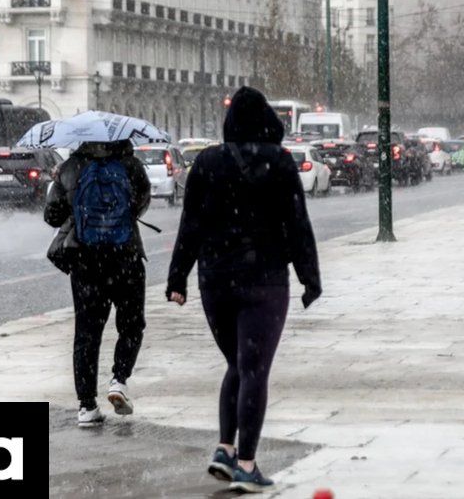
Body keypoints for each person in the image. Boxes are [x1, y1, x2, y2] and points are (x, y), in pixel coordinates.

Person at [167, 86, 321, 494]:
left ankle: (223, 449)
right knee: (254, 369)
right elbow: (297, 224)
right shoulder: (280, 162)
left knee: (237, 365)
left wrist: (177, 277)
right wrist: (309, 276)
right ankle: (246, 465)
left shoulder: (206, 162)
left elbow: (191, 225)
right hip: (265, 279)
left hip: (214, 280)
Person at [44, 139, 151, 428]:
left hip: (86, 261)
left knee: (87, 332)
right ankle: (119, 380)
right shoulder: (130, 164)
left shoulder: (72, 166)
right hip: (125, 256)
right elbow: (140, 205)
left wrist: (72, 200)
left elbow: (51, 216)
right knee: (131, 324)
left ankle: (87, 406)